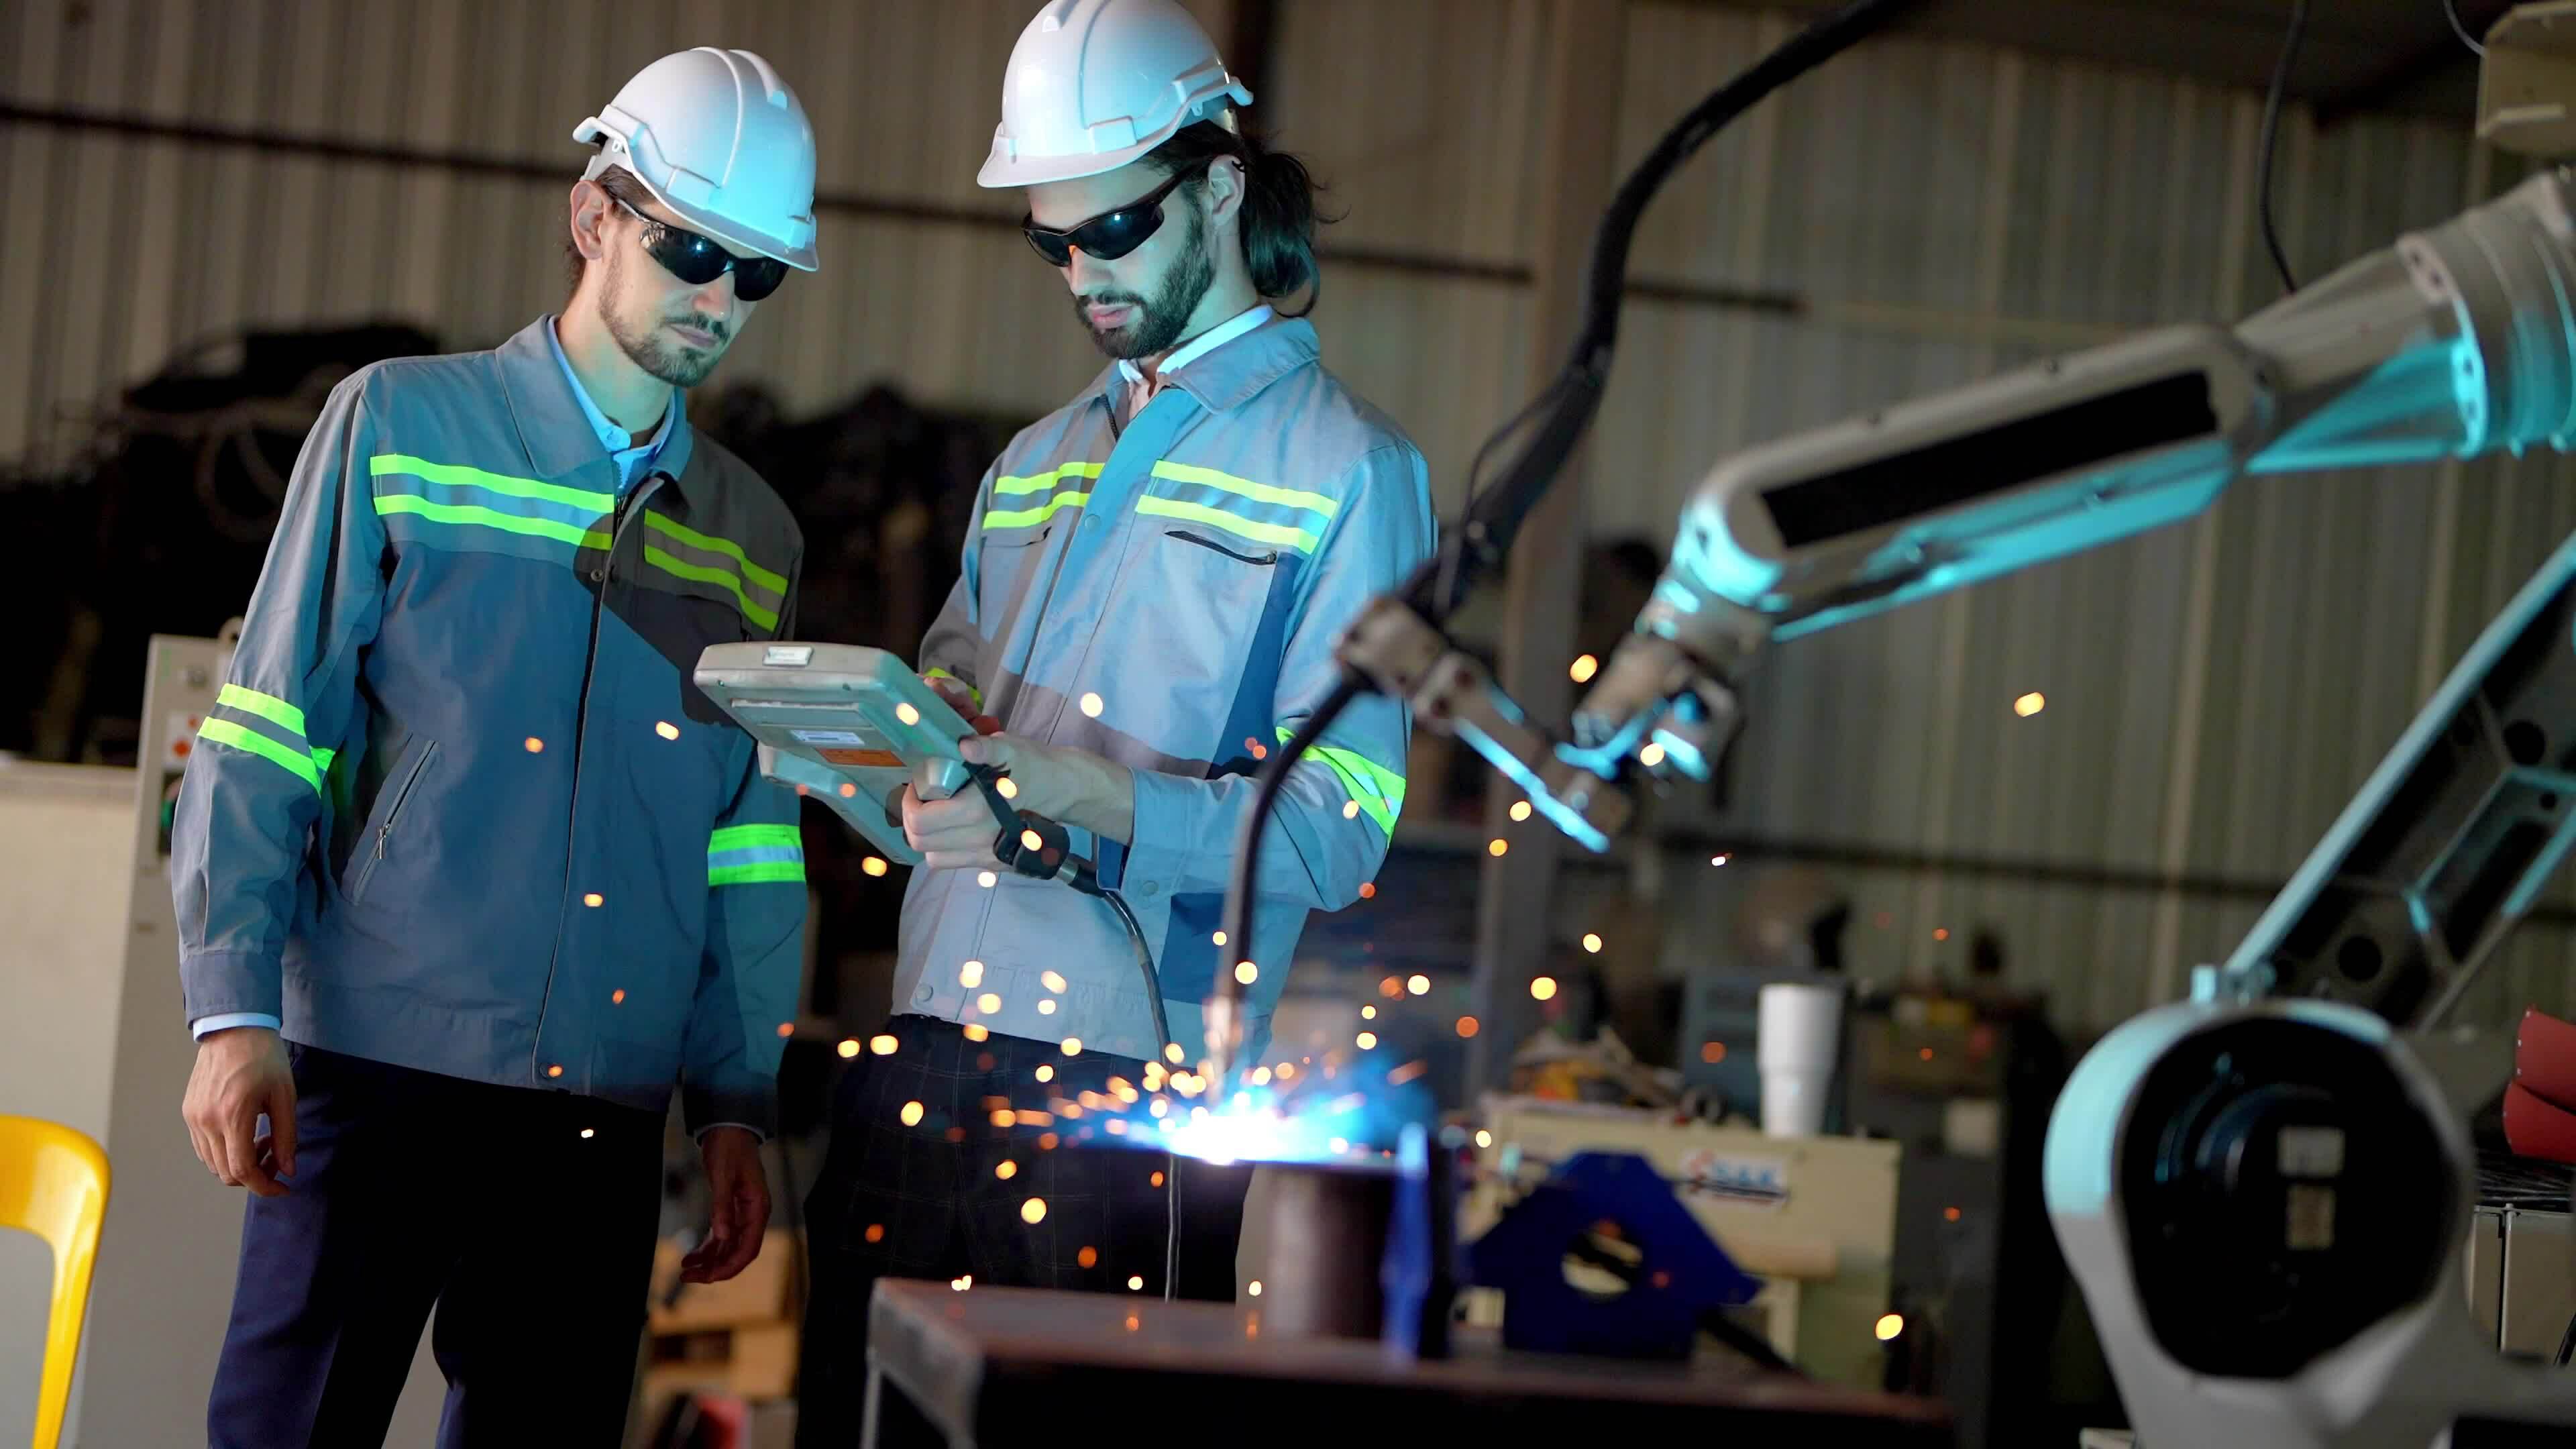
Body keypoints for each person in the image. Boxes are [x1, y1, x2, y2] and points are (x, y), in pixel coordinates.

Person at [794, 1, 1436, 1440]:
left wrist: (1094, 799)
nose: (1083, 271)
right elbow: (950, 704)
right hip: (923, 1047)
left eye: (1116, 229)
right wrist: (892, 755)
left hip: (1126, 1091)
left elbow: (1342, 831)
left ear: (1218, 185)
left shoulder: (1351, 472)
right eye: (1051, 241)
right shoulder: (1031, 462)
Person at [172, 47, 821, 1448]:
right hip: (370, 1061)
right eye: (693, 251)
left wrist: (734, 1098)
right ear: (596, 217)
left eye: (756, 276)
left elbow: (750, 838)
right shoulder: (400, 422)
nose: (719, 301)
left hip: (599, 1101)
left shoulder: (752, 534)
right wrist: (231, 1011)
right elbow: (268, 726)